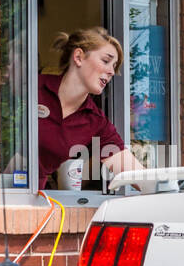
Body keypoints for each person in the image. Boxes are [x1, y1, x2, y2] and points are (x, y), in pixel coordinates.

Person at [37, 27, 143, 191]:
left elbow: (137, 176)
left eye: (114, 66)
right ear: (79, 57)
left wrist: (172, 189)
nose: (111, 72)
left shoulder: (96, 121)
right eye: (106, 61)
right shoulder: (33, 89)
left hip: (33, 201)